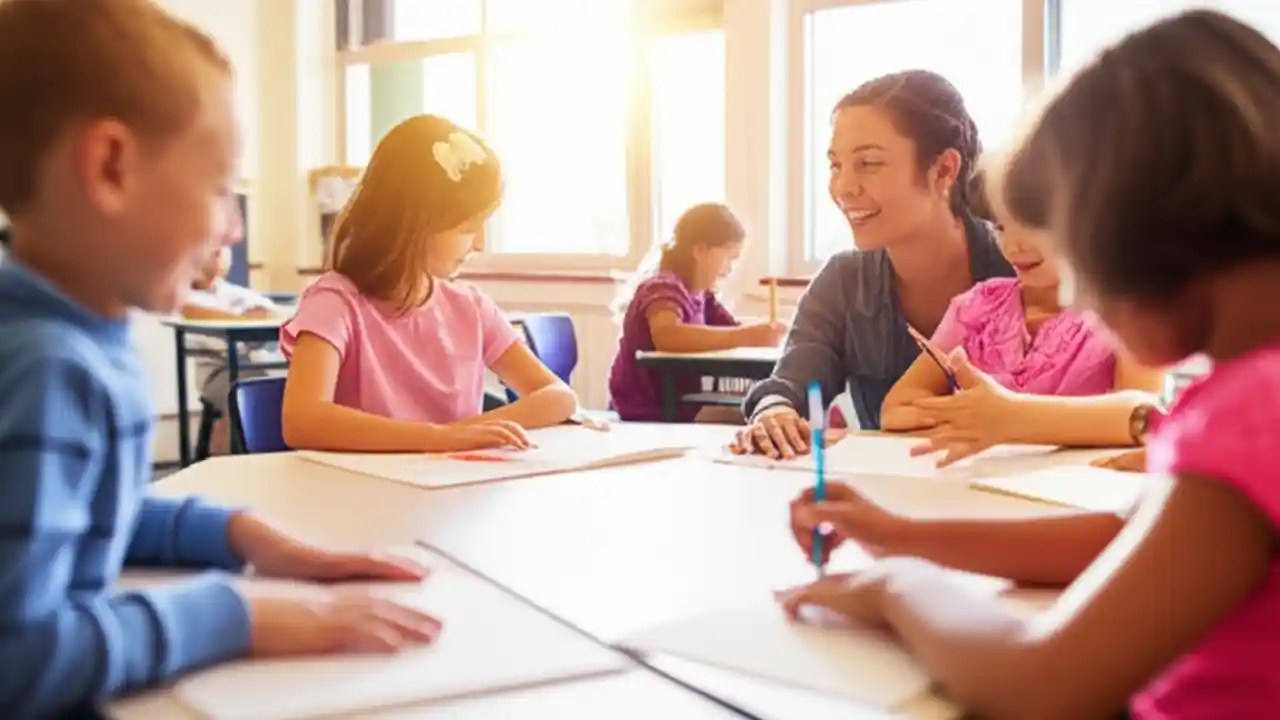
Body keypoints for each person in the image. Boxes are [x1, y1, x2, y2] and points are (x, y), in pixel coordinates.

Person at [782, 11, 1280, 718]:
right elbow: (1122, 538)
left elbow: (1036, 688)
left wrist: (894, 587)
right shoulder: (1256, 388)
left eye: (1073, 252)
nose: (1074, 294)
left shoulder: (1254, 411)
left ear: (1147, 227)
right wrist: (901, 533)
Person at [0, 1, 442, 716]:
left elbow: (84, 511)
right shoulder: (51, 370)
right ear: (110, 166)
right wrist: (241, 615)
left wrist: (243, 534)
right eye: (219, 190)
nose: (233, 227)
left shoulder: (53, 335)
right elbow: (16, 659)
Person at [734, 70, 1013, 458]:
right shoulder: (843, 282)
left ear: (944, 170)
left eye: (868, 163)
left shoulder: (1021, 265)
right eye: (835, 165)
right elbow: (790, 384)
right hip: (887, 500)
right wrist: (773, 412)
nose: (843, 187)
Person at [280, 115, 578, 453]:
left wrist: (464, 432)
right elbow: (302, 420)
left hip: (449, 491)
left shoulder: (471, 307)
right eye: (468, 227)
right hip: (363, 494)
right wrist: (438, 438)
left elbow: (558, 397)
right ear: (416, 222)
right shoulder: (335, 302)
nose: (479, 244)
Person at [880, 170, 1165, 466]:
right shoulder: (978, 305)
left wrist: (1006, 418)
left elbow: (1143, 415)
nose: (1013, 246)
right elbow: (898, 405)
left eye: (1031, 225)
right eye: (1001, 227)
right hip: (972, 484)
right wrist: (970, 418)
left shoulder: (1128, 309)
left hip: (1073, 491)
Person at [608, 202, 785, 422]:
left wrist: (761, 331)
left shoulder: (701, 295)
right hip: (648, 408)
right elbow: (667, 336)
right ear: (700, 250)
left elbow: (729, 329)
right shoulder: (663, 287)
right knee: (755, 419)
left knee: (761, 416)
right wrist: (748, 335)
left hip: (682, 402)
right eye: (729, 258)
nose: (729, 270)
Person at [182, 244, 285, 454]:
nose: (220, 252)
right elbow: (223, 340)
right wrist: (246, 320)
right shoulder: (186, 298)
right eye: (213, 247)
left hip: (259, 364)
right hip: (219, 372)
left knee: (292, 386)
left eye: (224, 248)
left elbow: (273, 315)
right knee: (252, 391)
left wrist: (250, 319)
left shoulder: (237, 293)